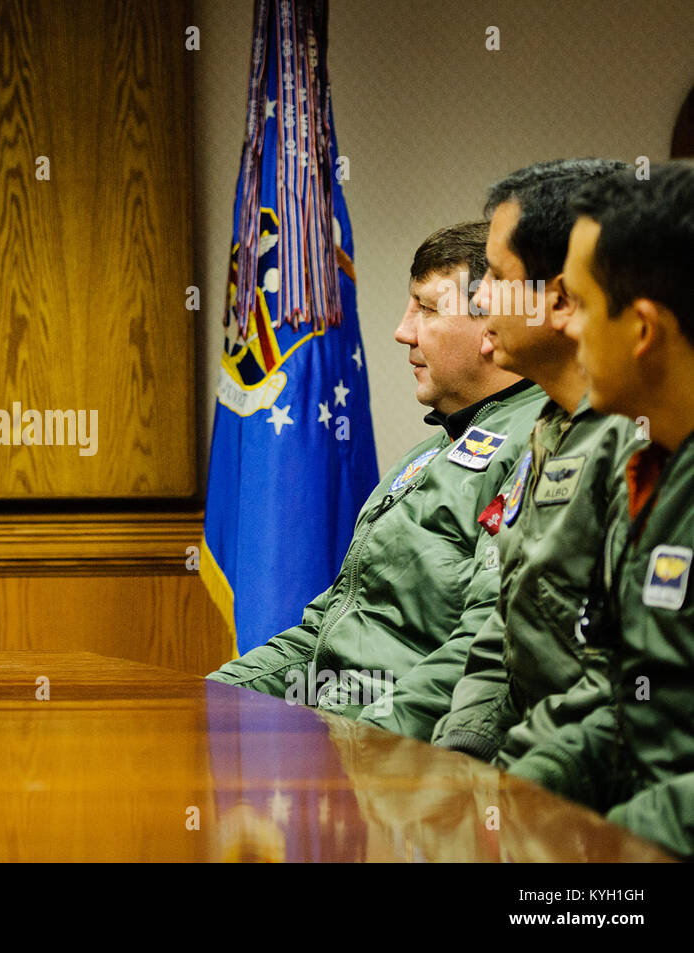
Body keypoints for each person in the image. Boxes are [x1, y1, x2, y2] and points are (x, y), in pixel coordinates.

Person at [207, 222, 543, 719]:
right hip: (334, 727)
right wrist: (209, 697)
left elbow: (486, 649)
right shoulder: (429, 452)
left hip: (402, 754)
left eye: (427, 309)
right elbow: (326, 632)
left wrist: (361, 752)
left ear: (493, 327)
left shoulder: (540, 443)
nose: (402, 330)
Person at [371, 159, 642, 749]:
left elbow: (617, 699)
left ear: (563, 297)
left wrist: (481, 791)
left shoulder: (636, 443)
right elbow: (499, 646)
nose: (481, 299)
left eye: (494, 276)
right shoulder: (550, 428)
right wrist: (460, 767)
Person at [513, 160, 694, 856]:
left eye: (581, 305)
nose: (568, 327)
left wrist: (601, 858)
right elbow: (630, 700)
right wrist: (506, 793)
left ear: (642, 329)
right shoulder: (658, 468)